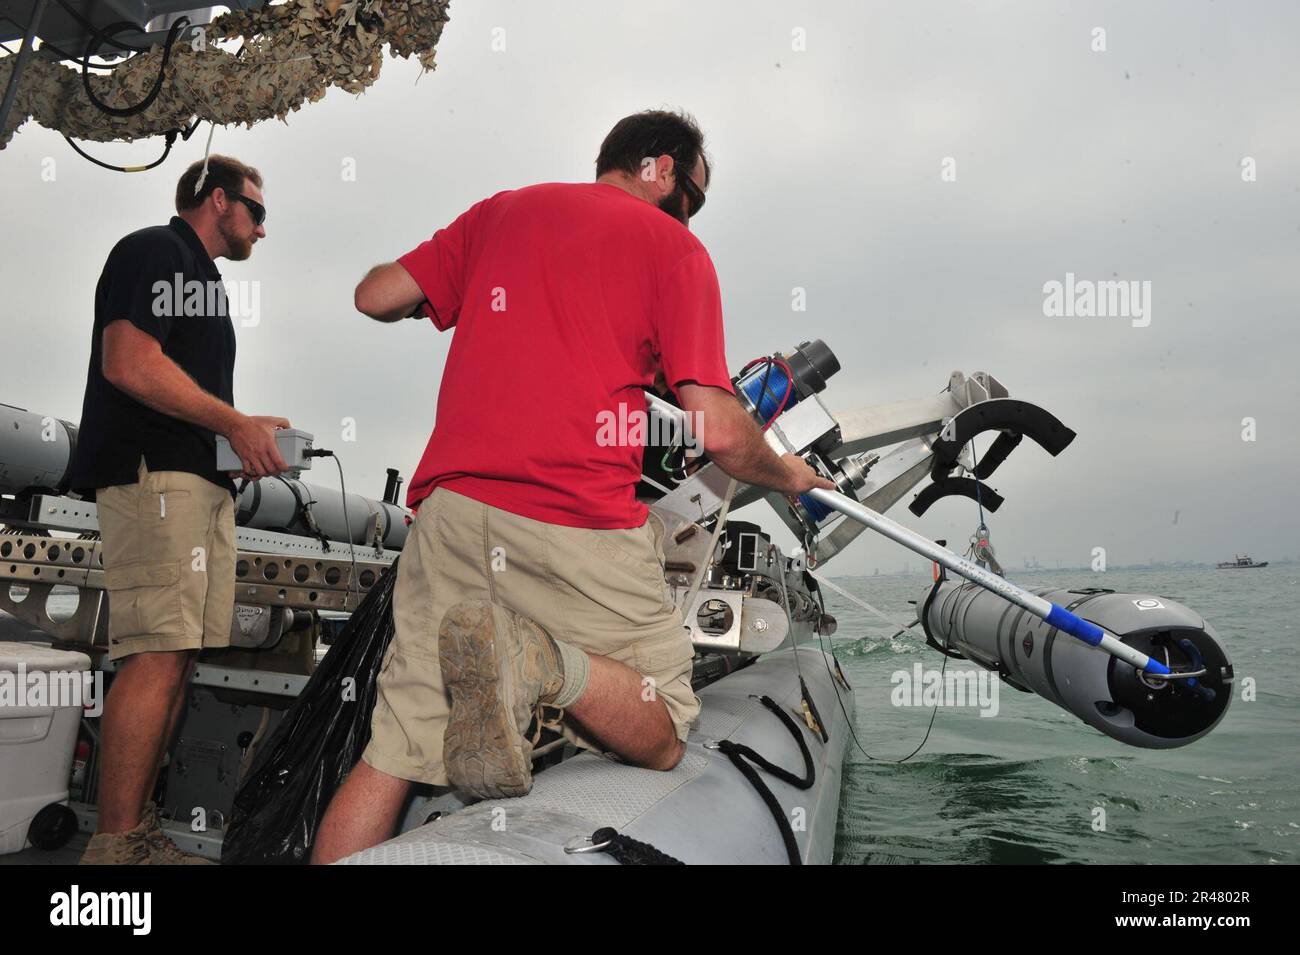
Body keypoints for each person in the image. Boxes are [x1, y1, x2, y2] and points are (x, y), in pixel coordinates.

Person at [312, 109, 833, 864]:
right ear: (662, 168)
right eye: (693, 194)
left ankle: (518, 658)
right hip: (575, 514)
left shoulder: (502, 211)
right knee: (664, 727)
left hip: (451, 513)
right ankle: (542, 663)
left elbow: (377, 295)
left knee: (392, 751)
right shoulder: (674, 248)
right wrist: (787, 473)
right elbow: (718, 431)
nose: (691, 213)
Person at [70, 155, 291, 864]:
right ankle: (114, 845)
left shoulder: (205, 281)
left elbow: (177, 387)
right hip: (155, 483)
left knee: (178, 657)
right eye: (256, 209)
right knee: (155, 652)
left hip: (193, 484)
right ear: (218, 200)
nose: (263, 224)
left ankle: (136, 833)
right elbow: (128, 361)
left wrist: (243, 425)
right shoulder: (156, 250)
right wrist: (234, 423)